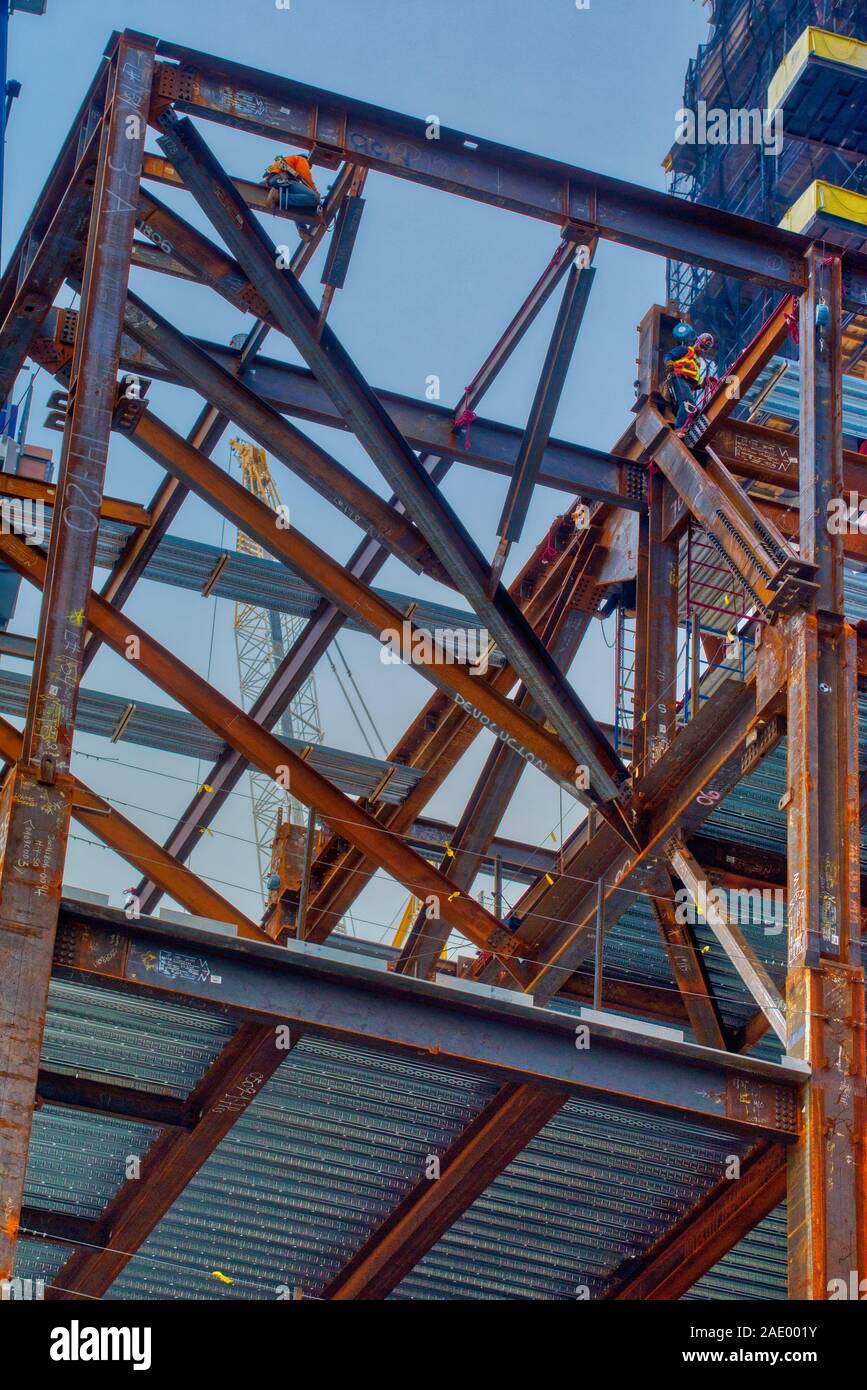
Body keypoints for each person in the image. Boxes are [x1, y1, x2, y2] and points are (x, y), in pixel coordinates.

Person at [261, 154, 321, 228]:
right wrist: (314, 190)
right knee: (314, 198)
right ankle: (279, 197)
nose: (308, 168)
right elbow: (305, 175)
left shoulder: (284, 163)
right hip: (283, 181)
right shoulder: (300, 159)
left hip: (277, 182)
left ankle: (301, 227)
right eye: (309, 167)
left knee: (297, 201)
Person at [663, 322, 702, 429]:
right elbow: (668, 356)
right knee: (688, 403)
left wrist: (700, 384)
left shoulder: (697, 362)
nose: (702, 349)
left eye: (705, 348)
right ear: (696, 342)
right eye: (701, 346)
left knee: (694, 408)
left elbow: (695, 377)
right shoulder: (686, 349)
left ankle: (688, 427)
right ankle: (680, 428)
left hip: (687, 384)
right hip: (678, 378)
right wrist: (669, 363)